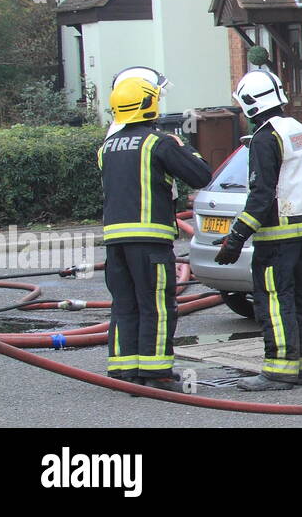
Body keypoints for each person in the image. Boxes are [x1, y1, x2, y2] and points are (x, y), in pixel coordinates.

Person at [99, 75, 212, 389]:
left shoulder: (107, 147)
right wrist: (183, 146)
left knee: (125, 303)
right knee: (157, 305)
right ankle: (156, 372)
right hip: (150, 241)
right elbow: (201, 175)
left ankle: (123, 370)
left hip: (115, 242)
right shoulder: (158, 142)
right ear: (149, 103)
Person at [214, 70, 302, 390]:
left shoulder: (265, 138)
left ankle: (278, 371)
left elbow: (261, 196)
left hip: (275, 240)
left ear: (250, 104)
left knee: (274, 301)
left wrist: (235, 239)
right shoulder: (297, 130)